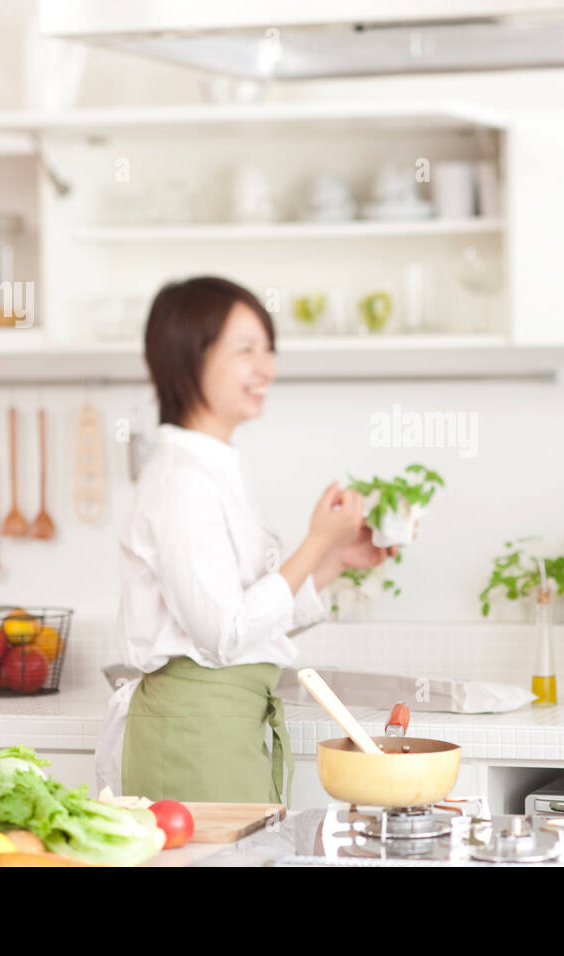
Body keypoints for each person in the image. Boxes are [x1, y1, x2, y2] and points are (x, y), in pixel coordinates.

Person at [95, 276, 395, 804]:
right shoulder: (182, 480)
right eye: (246, 350)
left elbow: (249, 618)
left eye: (269, 349)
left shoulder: (214, 468)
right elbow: (224, 634)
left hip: (220, 727)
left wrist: (335, 559)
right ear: (191, 356)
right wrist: (313, 542)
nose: (266, 368)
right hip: (192, 734)